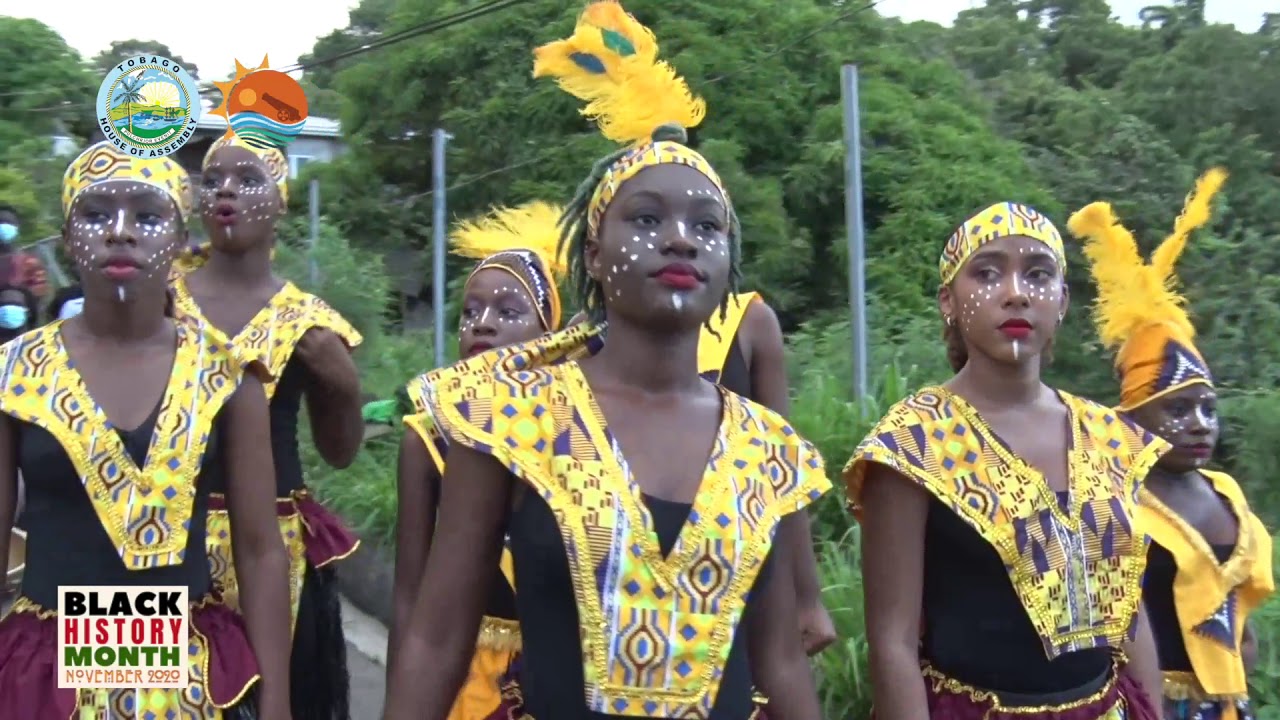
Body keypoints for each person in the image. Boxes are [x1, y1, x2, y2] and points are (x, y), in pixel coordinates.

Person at [382, 3, 828, 718]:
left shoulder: (767, 450)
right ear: (592, 253)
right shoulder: (511, 416)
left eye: (706, 225)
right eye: (647, 219)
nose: (680, 239)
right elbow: (437, 637)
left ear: (728, 261)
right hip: (169, 641)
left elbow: (778, 660)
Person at [0, 141, 292, 720]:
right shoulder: (13, 373)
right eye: (95, 214)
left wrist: (278, 702)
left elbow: (260, 552)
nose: (120, 232)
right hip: (47, 679)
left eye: (148, 215)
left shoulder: (227, 376)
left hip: (188, 677)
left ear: (183, 243)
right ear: (64, 241)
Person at [845, 201, 1171, 719]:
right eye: (988, 273)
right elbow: (893, 644)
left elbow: (1128, 615)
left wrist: (1152, 709)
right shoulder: (912, 442)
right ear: (948, 300)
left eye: (1039, 274)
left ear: (1062, 301)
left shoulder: (1110, 437)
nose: (1017, 292)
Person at [170, 134, 364, 720]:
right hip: (160, 541)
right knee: (148, 696)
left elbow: (341, 453)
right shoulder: (158, 302)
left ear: (281, 201)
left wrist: (343, 385)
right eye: (213, 179)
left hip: (274, 554)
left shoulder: (307, 322)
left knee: (285, 700)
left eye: (248, 179)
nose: (226, 190)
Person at [1070, 168, 1273, 720]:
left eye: (1208, 407)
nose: (1200, 423)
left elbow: (1242, 626)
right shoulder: (1114, 498)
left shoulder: (1226, 493)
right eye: (1178, 409)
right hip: (1143, 705)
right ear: (1132, 418)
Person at [389, 200, 569, 719]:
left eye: (508, 312)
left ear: (551, 335)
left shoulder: (580, 442)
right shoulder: (427, 438)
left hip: (556, 679)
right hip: (464, 686)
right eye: (469, 313)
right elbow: (411, 600)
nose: (481, 326)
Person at [0, 205, 49, 300]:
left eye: (8, 223)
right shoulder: (30, 261)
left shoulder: (30, 263)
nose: (3, 227)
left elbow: (40, 292)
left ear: (16, 228)